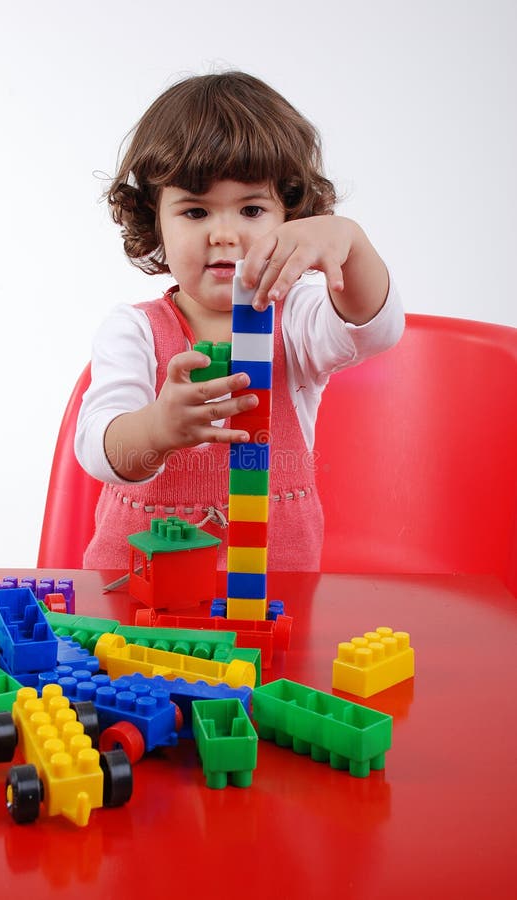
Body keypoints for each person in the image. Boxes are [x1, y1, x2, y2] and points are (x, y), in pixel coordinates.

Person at [75, 71, 404, 571]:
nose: (224, 234)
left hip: (277, 591)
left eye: (251, 209)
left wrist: (351, 243)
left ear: (290, 217)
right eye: (195, 212)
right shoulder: (133, 330)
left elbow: (375, 327)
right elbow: (101, 451)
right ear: (154, 220)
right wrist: (157, 429)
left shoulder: (295, 319)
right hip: (137, 598)